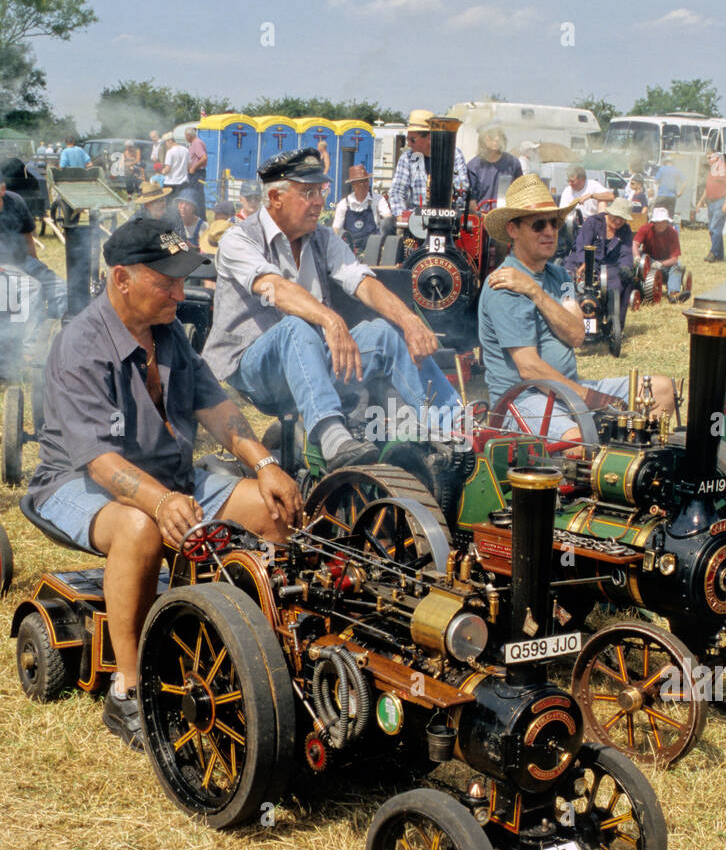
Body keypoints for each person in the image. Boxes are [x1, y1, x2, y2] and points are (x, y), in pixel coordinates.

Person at [28, 214, 302, 750]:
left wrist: (264, 463)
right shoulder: (79, 345)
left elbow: (218, 409)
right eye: (166, 280)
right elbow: (100, 463)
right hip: (74, 481)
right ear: (122, 278)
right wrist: (159, 502)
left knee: (270, 511)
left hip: (169, 477)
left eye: (182, 278)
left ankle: (257, 657)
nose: (180, 291)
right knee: (138, 528)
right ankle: (128, 688)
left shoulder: (170, 330)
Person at [202, 148, 460, 470]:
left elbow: (362, 281)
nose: (319, 202)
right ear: (274, 197)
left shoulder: (322, 237)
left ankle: (454, 425)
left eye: (320, 191)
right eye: (307, 192)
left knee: (382, 333)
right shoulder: (238, 240)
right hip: (255, 367)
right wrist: (331, 320)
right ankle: (333, 438)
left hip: (310, 355)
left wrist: (409, 320)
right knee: (295, 328)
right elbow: (276, 289)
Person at [477, 175, 675, 443]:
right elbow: (530, 369)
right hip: (523, 400)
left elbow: (577, 335)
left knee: (663, 390)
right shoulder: (504, 285)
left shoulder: (559, 276)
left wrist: (535, 291)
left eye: (554, 223)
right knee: (578, 442)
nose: (549, 231)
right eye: (538, 225)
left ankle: (631, 463)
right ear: (513, 230)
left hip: (568, 391)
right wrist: (586, 399)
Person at [0, 180, 67, 372]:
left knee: (61, 289)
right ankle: (28, 353)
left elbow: (27, 235)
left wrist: (36, 264)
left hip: (23, 260)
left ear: (3, 189)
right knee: (32, 288)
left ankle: (57, 343)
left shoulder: (15, 202)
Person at [386, 109, 469, 221]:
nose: (409, 144)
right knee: (387, 224)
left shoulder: (454, 154)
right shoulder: (406, 158)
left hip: (448, 217)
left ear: (429, 138)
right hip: (415, 219)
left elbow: (462, 189)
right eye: (407, 139)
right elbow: (397, 192)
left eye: (412, 140)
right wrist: (401, 216)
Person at [568, 196, 636, 324]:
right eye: (615, 216)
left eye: (622, 218)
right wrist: (584, 263)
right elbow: (581, 245)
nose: (618, 221)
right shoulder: (593, 222)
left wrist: (626, 267)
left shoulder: (625, 230)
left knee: (624, 281)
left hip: (609, 266)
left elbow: (626, 253)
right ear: (609, 212)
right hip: (584, 260)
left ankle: (615, 325)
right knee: (568, 281)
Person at [331, 165, 390, 253]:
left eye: (366, 180)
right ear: (353, 185)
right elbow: (336, 229)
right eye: (361, 182)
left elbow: (388, 217)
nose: (365, 184)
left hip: (373, 248)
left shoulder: (378, 199)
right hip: (350, 248)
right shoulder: (343, 204)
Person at [633, 207, 687, 301]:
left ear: (667, 222)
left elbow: (674, 259)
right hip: (648, 260)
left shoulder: (673, 233)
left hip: (666, 263)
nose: (661, 224)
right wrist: (637, 257)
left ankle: (673, 294)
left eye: (664, 221)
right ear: (654, 222)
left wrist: (661, 264)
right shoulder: (645, 228)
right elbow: (634, 244)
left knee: (677, 266)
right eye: (659, 222)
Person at [466, 126, 523, 205]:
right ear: (483, 139)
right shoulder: (473, 166)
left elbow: (521, 193)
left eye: (499, 135)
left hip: (506, 214)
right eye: (491, 135)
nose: (496, 138)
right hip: (482, 215)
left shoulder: (513, 163)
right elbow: (471, 201)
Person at [698, 151, 726, 263]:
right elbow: (707, 188)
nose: (707, 160)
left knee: (714, 228)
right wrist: (700, 201)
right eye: (707, 158)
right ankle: (720, 255)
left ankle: (713, 253)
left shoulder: (724, 168)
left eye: (710, 158)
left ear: (717, 158)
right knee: (714, 229)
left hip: (720, 201)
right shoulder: (712, 171)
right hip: (711, 202)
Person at [185, 128, 208, 219]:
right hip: (196, 173)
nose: (185, 137)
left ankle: (200, 217)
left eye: (186, 135)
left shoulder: (196, 143)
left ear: (189, 135)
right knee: (195, 194)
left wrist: (194, 167)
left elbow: (204, 158)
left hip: (197, 173)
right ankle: (197, 216)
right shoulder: (194, 143)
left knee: (197, 195)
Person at [161, 134, 190, 199]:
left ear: (170, 141)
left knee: (169, 203)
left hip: (171, 182)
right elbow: (189, 166)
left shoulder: (170, 152)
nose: (166, 145)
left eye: (166, 142)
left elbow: (168, 169)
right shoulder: (186, 150)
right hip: (183, 182)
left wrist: (163, 171)